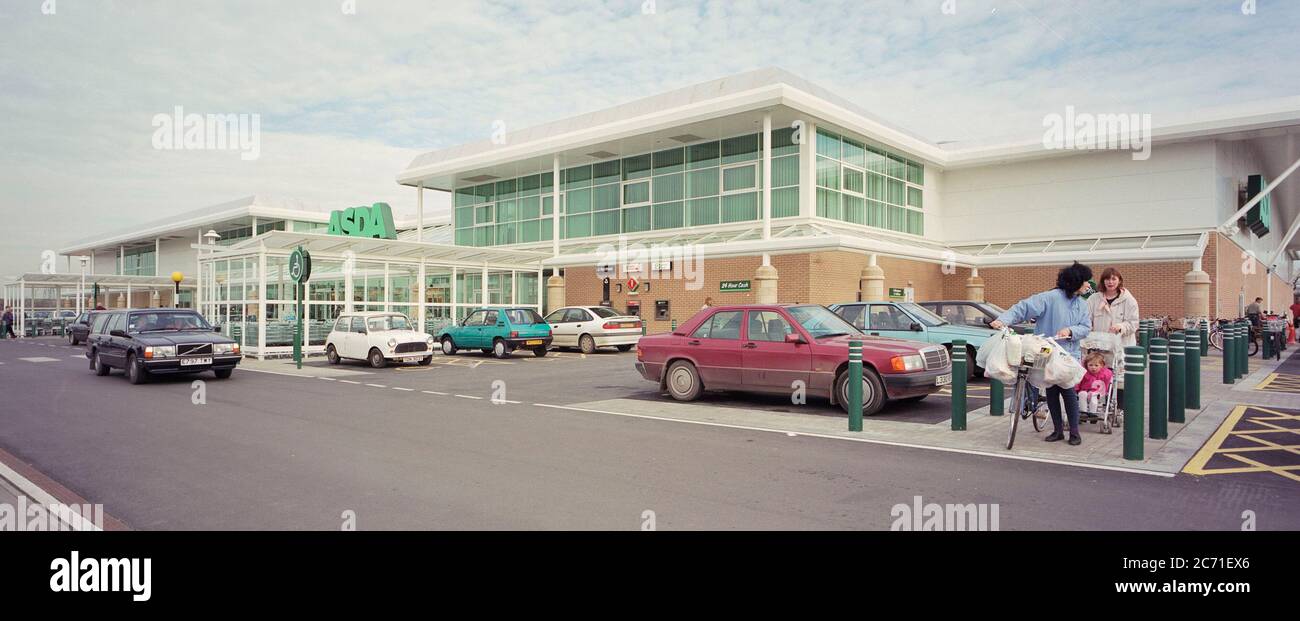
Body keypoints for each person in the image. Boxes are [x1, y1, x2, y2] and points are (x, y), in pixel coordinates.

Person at [990, 262, 1093, 446]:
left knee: (1068, 392)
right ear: (1075, 281)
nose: (1088, 285)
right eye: (1085, 281)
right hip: (1048, 351)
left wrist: (1070, 331)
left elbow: (1086, 327)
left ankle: (1075, 432)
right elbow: (1023, 308)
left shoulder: (1082, 305)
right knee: (1051, 391)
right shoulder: (1049, 297)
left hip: (1068, 354)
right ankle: (1058, 430)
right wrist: (1002, 320)